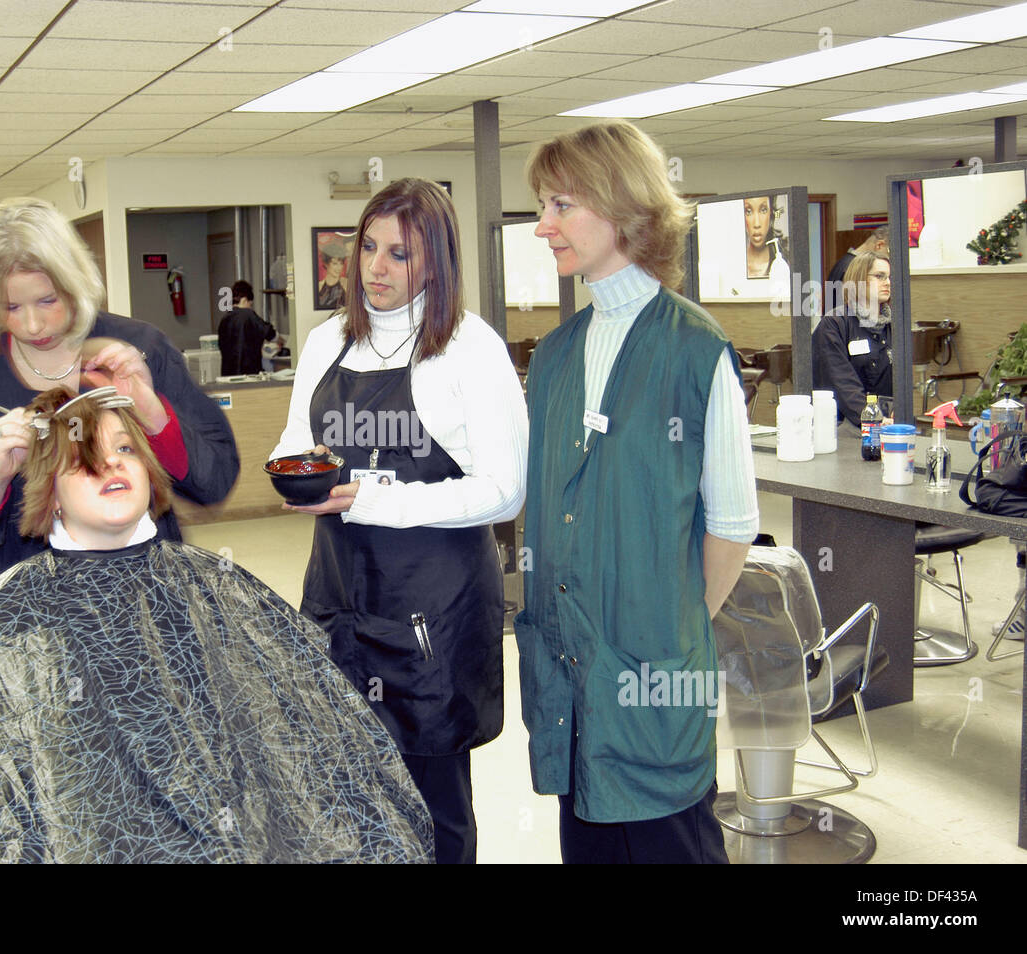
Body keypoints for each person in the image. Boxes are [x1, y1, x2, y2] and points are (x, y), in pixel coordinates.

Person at [0, 388, 434, 863]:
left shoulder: (212, 585)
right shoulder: (11, 611)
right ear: (48, 493)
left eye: (125, 449)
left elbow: (302, 729)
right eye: (85, 459)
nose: (113, 465)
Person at [518, 120, 759, 864]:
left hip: (655, 685)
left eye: (560, 205)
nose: (541, 226)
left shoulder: (695, 350)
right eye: (542, 206)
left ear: (621, 209)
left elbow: (734, 524)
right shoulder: (555, 358)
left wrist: (664, 629)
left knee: (669, 844)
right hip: (569, 681)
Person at [271, 177, 528, 864]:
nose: (377, 269)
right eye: (368, 248)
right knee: (347, 785)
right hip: (339, 597)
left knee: (433, 799)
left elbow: (505, 492)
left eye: (401, 255)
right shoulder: (327, 342)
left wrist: (373, 498)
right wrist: (294, 473)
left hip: (430, 617)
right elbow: (295, 439)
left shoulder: (469, 350)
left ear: (435, 264)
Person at [0, 197, 238, 587]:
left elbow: (216, 478)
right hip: (23, 610)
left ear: (75, 282)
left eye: (47, 300)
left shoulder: (141, 348)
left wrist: (154, 416)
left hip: (145, 595)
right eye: (11, 307)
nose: (33, 325)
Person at [812, 251, 893, 428]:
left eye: (889, 277)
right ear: (859, 280)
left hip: (888, 426)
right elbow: (841, 380)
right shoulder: (834, 324)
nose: (887, 282)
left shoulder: (893, 327)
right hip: (844, 427)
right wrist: (872, 418)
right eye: (879, 276)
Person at [217, 279, 282, 376]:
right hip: (248, 375)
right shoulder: (248, 315)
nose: (250, 307)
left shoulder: (224, 320)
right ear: (244, 300)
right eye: (250, 304)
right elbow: (271, 334)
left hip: (227, 375)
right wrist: (281, 341)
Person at [824, 226, 888, 316]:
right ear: (879, 245)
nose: (887, 283)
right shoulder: (852, 268)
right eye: (879, 276)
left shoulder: (845, 263)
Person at [744, 194, 789, 279]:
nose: (756, 224)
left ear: (771, 214)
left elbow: (798, 285)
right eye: (748, 211)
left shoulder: (787, 258)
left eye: (763, 210)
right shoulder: (733, 263)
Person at [316, 241, 348, 311]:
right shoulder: (319, 286)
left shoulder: (347, 284)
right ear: (326, 264)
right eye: (335, 263)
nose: (339, 267)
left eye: (341, 263)